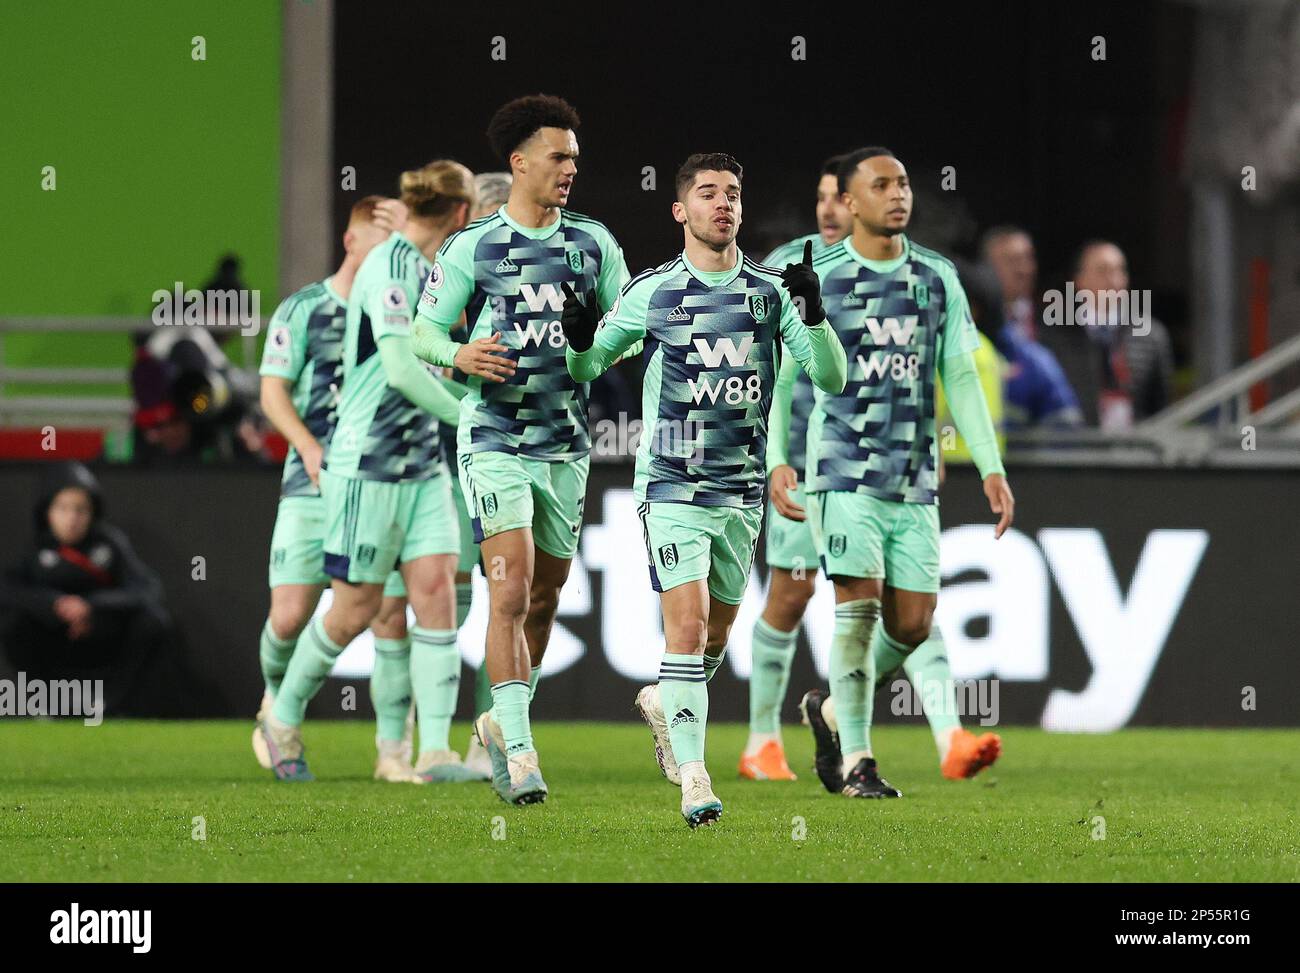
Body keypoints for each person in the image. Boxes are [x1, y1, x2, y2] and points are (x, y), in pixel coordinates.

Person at [564, 152, 847, 827]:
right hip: (672, 484)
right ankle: (695, 777)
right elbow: (592, 360)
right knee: (685, 627)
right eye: (709, 194)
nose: (723, 204)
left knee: (716, 635)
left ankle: (666, 701)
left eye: (733, 195)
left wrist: (812, 313)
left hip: (741, 493)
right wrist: (578, 342)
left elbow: (830, 378)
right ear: (680, 209)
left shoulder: (772, 292)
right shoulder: (652, 291)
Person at [770, 147, 1013, 799]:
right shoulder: (816, 273)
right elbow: (790, 374)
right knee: (857, 612)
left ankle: (827, 707)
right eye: (880, 185)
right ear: (848, 203)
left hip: (914, 476)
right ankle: (857, 759)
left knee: (911, 623)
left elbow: (957, 372)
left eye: (903, 182)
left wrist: (990, 465)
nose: (898, 194)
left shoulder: (937, 277)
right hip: (842, 469)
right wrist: (777, 457)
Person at [411, 95, 630, 805]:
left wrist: (586, 342)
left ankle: (499, 722)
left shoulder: (594, 244)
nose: (571, 167)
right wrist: (460, 353)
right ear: (520, 163)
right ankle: (524, 750)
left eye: (574, 156)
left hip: (565, 445)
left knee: (544, 597)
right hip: (494, 437)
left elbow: (618, 346)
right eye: (559, 156)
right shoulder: (474, 246)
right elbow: (424, 333)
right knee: (507, 588)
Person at [260, 161, 474, 783]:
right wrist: (470, 417)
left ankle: (433, 753)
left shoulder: (432, 272)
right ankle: (283, 714)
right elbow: (404, 371)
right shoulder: (392, 265)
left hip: (421, 466)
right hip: (365, 462)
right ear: (460, 213)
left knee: (435, 593)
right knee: (356, 608)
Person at [739, 152, 851, 781]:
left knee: (874, 600)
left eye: (839, 196)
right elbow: (776, 377)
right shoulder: (790, 265)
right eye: (821, 195)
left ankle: (842, 727)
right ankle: (761, 740)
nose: (829, 208)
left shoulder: (892, 269)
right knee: (793, 589)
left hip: (870, 465)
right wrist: (776, 459)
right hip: (807, 460)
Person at [0, 462, 170, 715]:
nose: (72, 518)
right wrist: (54, 605)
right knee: (12, 622)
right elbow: (8, 588)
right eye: (64, 508)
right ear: (48, 512)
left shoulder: (110, 544)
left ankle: (112, 704)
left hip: (103, 635)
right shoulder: (36, 548)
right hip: (53, 636)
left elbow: (149, 588)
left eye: (81, 509)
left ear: (92, 513)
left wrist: (91, 606)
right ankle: (45, 701)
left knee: (154, 621)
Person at [1040, 239, 1173, 428]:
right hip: (1074, 449)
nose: (1113, 280)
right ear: (1079, 280)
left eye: (1119, 271)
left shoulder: (1151, 335)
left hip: (1135, 449)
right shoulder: (1054, 335)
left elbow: (1160, 404)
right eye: (1102, 271)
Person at [981, 226, 1082, 429]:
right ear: (986, 267)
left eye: (1027, 259)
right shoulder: (973, 325)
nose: (1023, 270)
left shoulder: (1059, 321)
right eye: (1012, 261)